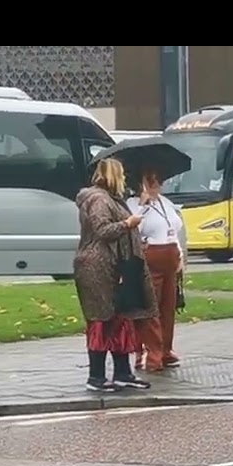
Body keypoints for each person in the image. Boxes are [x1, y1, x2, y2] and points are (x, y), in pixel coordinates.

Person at [73, 158, 157, 392]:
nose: (124, 179)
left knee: (121, 318)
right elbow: (102, 230)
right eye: (121, 174)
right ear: (112, 175)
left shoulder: (113, 199)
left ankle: (123, 372)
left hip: (116, 266)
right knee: (101, 320)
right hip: (97, 267)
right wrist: (128, 224)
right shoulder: (98, 199)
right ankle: (96, 377)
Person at [126, 169, 187, 372]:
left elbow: (173, 230)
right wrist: (143, 205)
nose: (155, 186)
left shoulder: (165, 202)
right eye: (150, 182)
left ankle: (166, 349)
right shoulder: (133, 204)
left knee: (168, 306)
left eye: (157, 181)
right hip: (150, 256)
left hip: (169, 256)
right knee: (150, 307)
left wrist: (180, 255)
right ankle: (149, 352)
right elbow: (133, 229)